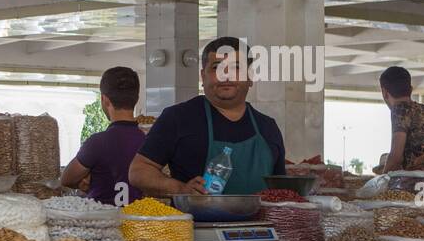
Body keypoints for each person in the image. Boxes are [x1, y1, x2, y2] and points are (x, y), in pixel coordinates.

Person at [130, 36, 287, 196]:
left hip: (263, 221)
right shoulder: (178, 118)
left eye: (236, 67)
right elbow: (139, 171)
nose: (226, 75)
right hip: (196, 220)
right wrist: (181, 189)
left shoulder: (268, 127)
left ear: (250, 77)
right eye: (216, 67)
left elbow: (281, 189)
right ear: (203, 76)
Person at [61, 67, 145, 205]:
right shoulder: (147, 141)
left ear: (105, 100)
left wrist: (86, 180)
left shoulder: (97, 142)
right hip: (138, 222)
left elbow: (67, 179)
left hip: (100, 220)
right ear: (136, 99)